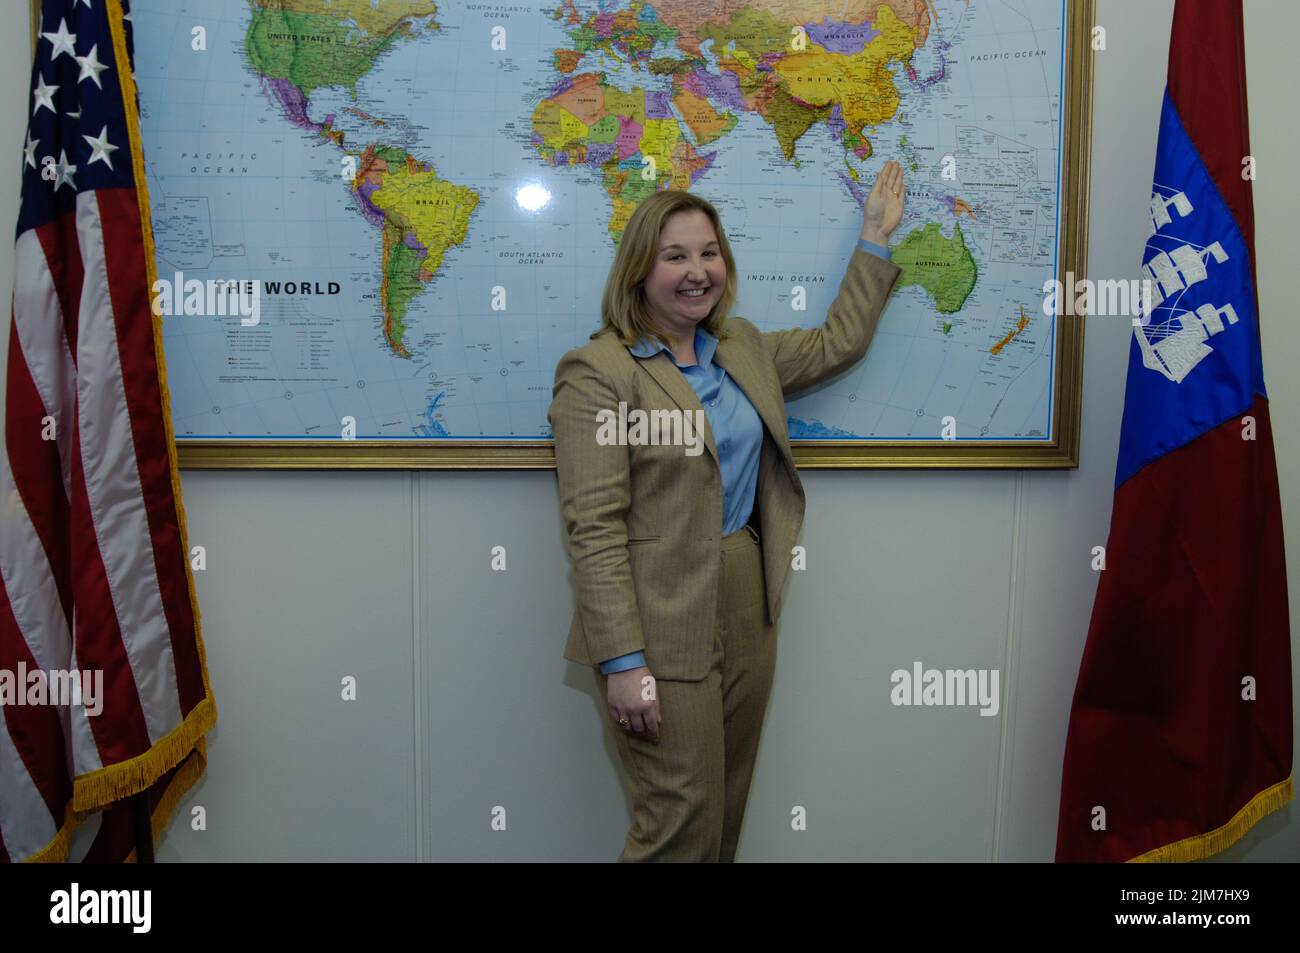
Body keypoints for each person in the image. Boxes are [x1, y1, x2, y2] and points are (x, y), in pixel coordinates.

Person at [548, 162, 905, 861]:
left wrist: (873, 238)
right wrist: (623, 660)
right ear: (638, 271)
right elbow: (592, 529)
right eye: (675, 255)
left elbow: (839, 344)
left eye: (708, 252)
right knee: (680, 817)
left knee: (724, 810)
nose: (696, 270)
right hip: (656, 613)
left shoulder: (741, 348)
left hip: (747, 591)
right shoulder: (599, 371)